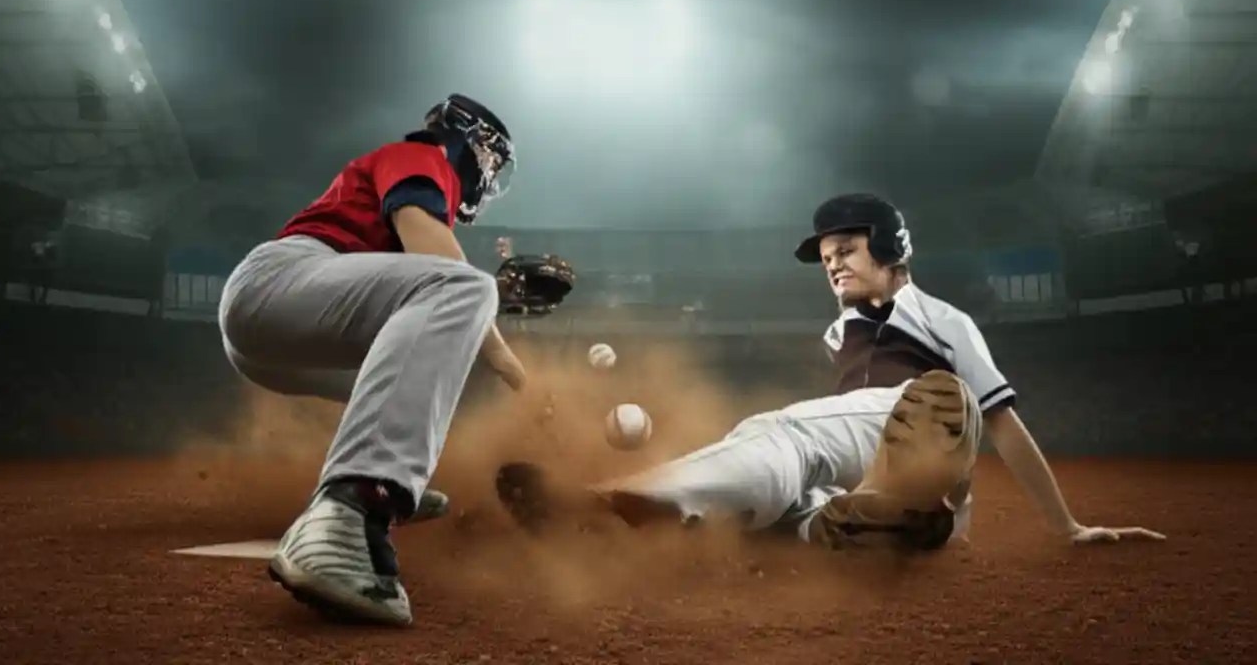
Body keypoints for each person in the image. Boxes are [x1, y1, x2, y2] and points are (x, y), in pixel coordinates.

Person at [499, 193, 1166, 552]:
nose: (833, 264)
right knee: (795, 504)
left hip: (928, 433)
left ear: (892, 250)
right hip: (911, 495)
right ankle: (856, 528)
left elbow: (1004, 425)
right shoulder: (838, 332)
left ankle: (603, 500)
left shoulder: (942, 319)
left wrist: (1066, 526)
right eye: (825, 256)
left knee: (783, 431)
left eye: (846, 249)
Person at [218, 94, 528, 626]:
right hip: (282, 282)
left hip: (280, 329)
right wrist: (503, 354)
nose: (490, 175)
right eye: (491, 159)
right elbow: (428, 244)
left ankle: (390, 481)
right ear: (469, 142)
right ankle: (350, 506)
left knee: (435, 355)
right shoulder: (425, 156)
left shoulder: (414, 168)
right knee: (467, 290)